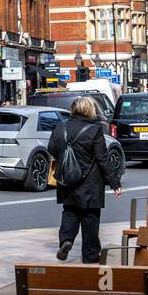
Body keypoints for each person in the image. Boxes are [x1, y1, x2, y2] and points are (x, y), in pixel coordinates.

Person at [47, 96, 122, 264]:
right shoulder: (94, 130)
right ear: (89, 110)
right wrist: (115, 183)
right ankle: (90, 256)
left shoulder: (60, 127)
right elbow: (103, 159)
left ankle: (66, 240)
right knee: (90, 218)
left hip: (66, 180)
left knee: (70, 211)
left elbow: (51, 149)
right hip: (90, 183)